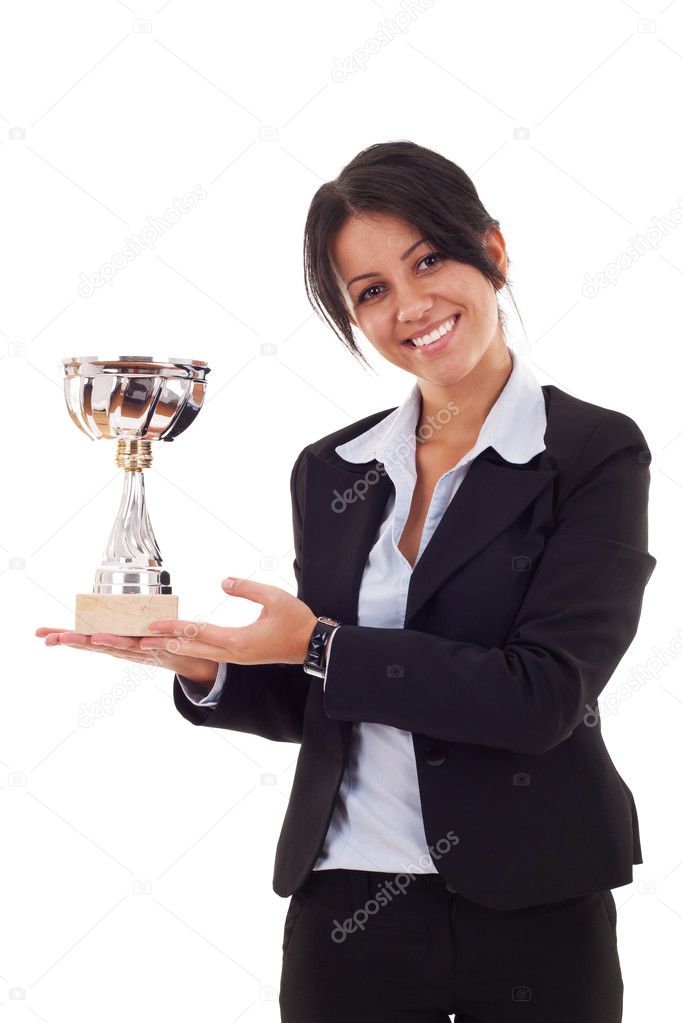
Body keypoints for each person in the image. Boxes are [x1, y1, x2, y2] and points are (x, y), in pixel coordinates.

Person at [36, 141, 657, 1022]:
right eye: (370, 292)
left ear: (494, 251)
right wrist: (204, 666)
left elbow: (542, 696)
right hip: (347, 907)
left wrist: (318, 642)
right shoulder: (334, 469)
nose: (411, 306)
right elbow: (332, 699)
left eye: (428, 261)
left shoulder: (591, 452)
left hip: (536, 902)